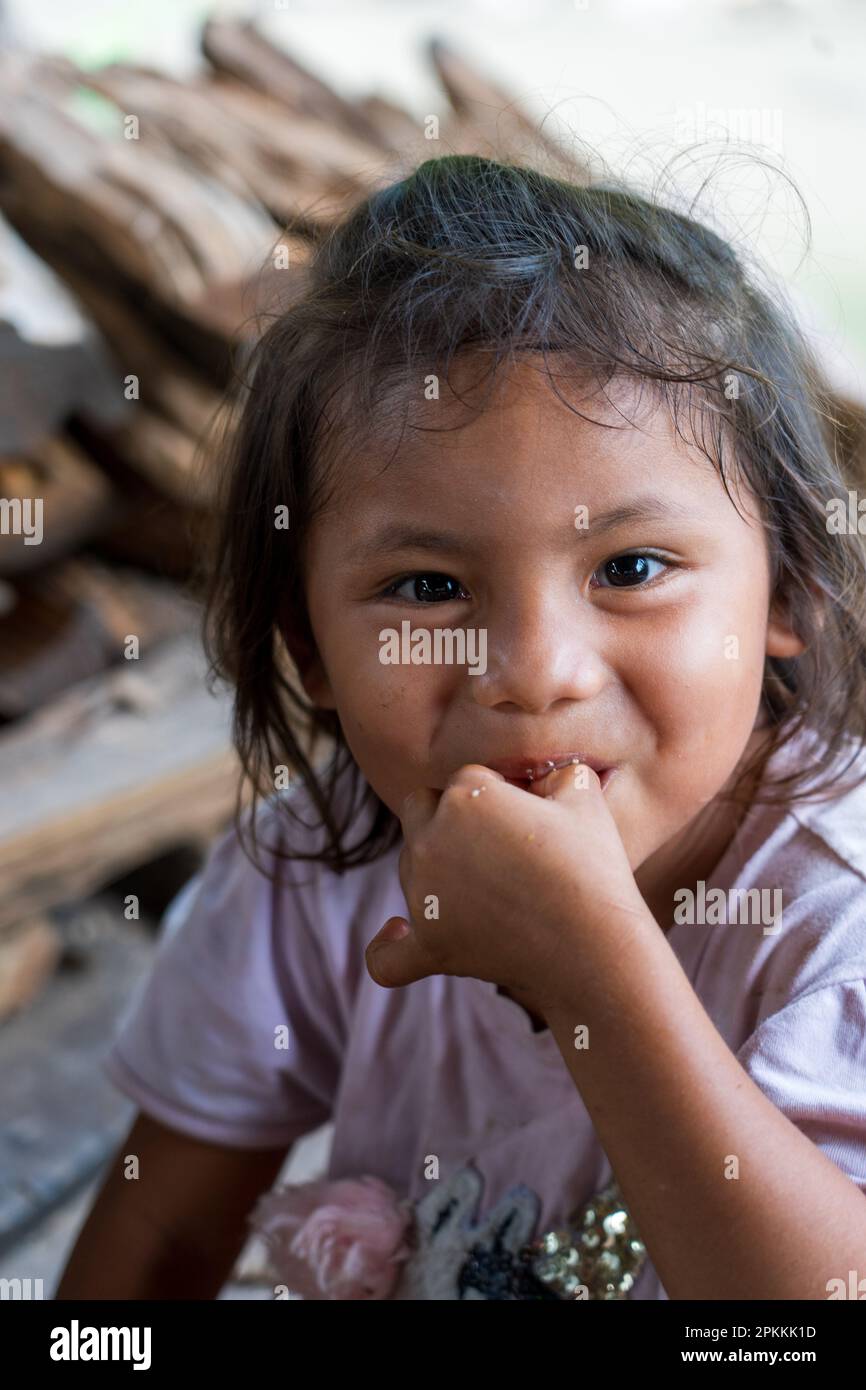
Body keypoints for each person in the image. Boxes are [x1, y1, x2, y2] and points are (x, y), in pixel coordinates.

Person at [56, 155, 866, 1301]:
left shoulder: (832, 928)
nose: (532, 673)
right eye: (427, 588)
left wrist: (594, 977)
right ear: (309, 647)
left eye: (630, 567)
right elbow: (145, 1264)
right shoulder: (318, 870)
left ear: (784, 594)